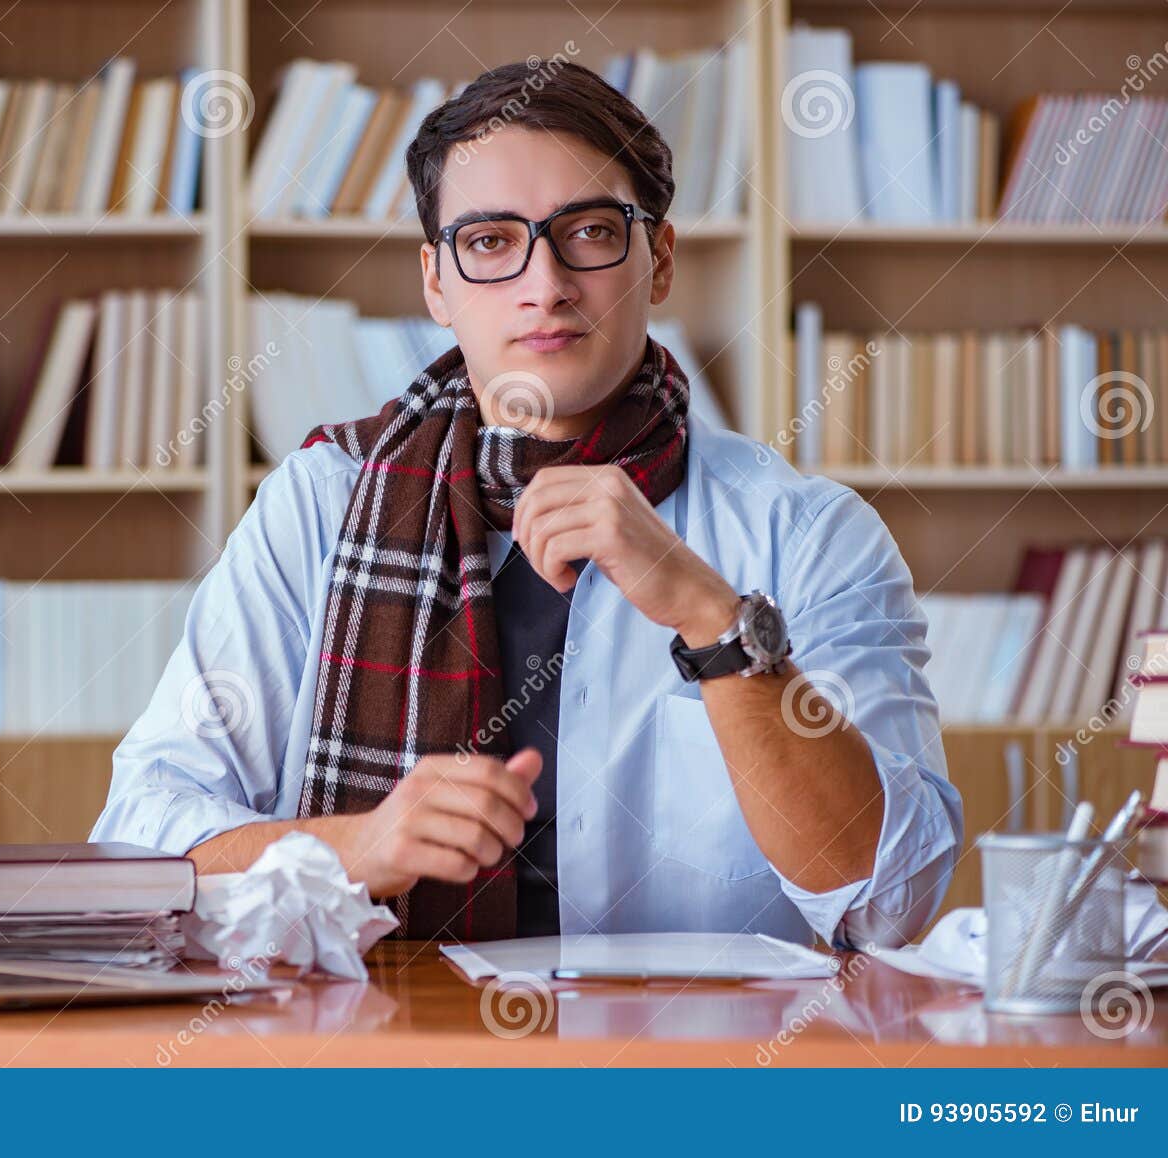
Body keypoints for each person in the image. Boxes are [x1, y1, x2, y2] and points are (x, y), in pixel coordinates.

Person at [93, 60, 962, 946]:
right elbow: (138, 840)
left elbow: (889, 904)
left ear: (658, 261)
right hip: (378, 1055)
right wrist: (358, 847)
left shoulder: (809, 534)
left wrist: (715, 621)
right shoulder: (320, 503)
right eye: (490, 241)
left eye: (588, 231)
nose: (544, 283)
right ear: (436, 281)